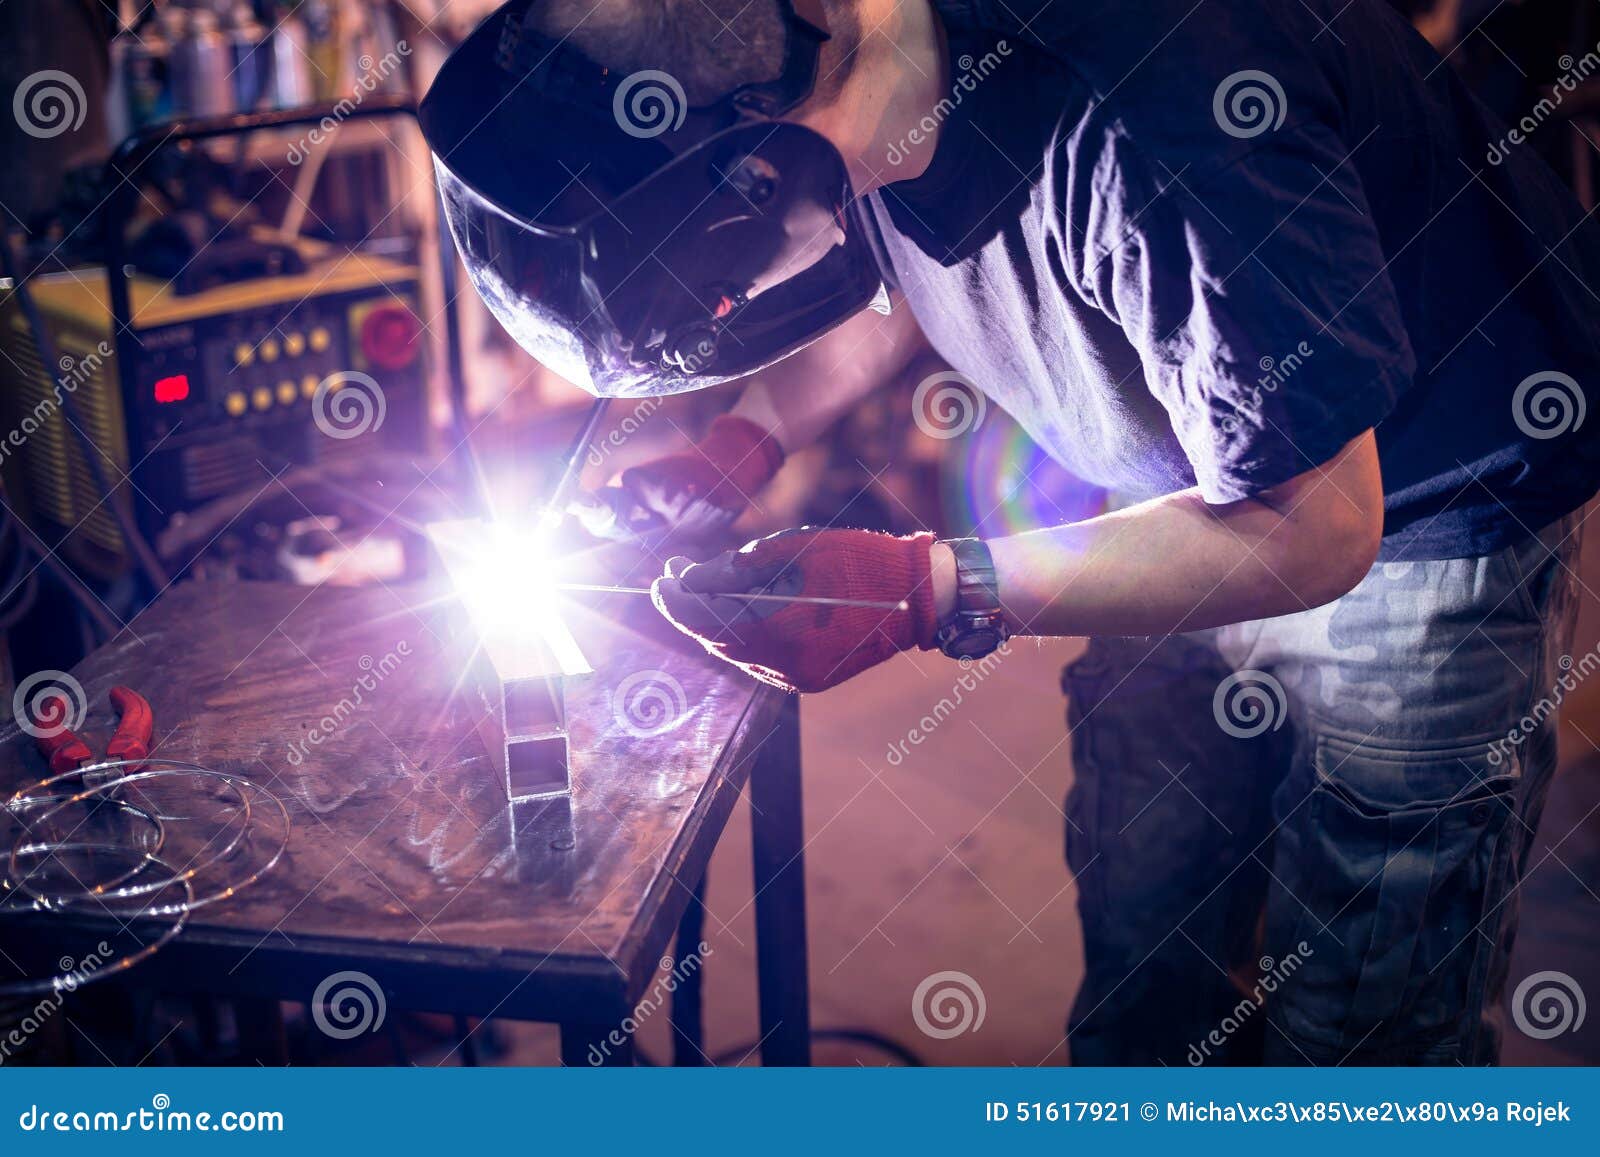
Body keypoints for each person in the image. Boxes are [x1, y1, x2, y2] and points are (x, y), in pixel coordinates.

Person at [421, 0, 1600, 1064]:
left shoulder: (1155, 115)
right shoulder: (842, 65)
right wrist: (744, 442)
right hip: (1177, 498)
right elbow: (909, 261)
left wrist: (927, 588)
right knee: (1149, 972)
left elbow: (1320, 529)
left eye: (724, 297)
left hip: (1416, 506)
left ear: (764, 160)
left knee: (1356, 1029)